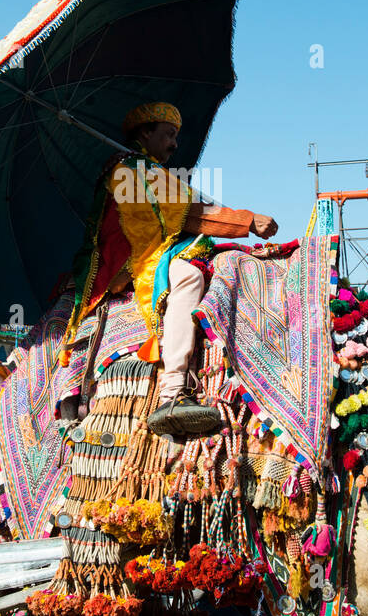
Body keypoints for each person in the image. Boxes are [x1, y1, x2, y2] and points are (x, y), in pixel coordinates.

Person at [62, 101, 278, 437]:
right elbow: (189, 215)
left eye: (176, 136)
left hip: (152, 250)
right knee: (189, 274)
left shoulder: (149, 171)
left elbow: (181, 211)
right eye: (168, 135)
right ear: (145, 133)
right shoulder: (129, 170)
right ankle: (172, 391)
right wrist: (246, 221)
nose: (175, 144)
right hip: (130, 261)